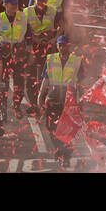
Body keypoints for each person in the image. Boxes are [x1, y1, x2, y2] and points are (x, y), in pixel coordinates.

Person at [36, 34, 81, 166]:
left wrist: (80, 101)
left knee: (68, 130)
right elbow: (46, 79)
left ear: (69, 46)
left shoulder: (77, 61)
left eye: (64, 45)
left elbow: (81, 82)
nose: (62, 48)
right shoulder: (50, 60)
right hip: (52, 100)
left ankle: (66, 155)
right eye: (60, 45)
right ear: (57, 46)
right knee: (51, 128)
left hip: (68, 102)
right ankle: (58, 151)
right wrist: (40, 97)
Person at [0, 0, 30, 115]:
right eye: (12, 4)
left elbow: (29, 35)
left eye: (16, 4)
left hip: (19, 53)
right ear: (5, 5)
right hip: (4, 55)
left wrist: (30, 52)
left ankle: (16, 105)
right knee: (3, 82)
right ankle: (2, 108)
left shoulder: (23, 17)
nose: (14, 7)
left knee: (19, 81)